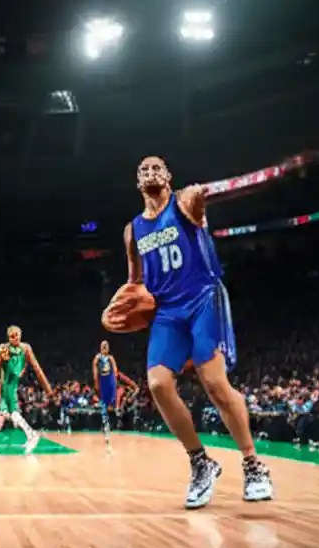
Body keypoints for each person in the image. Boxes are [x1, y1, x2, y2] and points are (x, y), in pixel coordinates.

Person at [124, 155, 273, 509]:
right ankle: (200, 461)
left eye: (157, 167)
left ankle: (253, 464)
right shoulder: (132, 230)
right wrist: (129, 301)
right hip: (166, 312)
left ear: (169, 176)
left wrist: (210, 191)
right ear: (137, 182)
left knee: (215, 384)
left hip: (202, 299)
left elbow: (209, 194)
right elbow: (135, 281)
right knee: (158, 384)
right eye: (143, 170)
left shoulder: (186, 201)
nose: (150, 172)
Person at [0, 326, 51, 455]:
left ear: (20, 335)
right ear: (8, 337)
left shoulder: (25, 348)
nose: (15, 338)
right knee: (8, 414)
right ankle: (30, 435)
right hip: (6, 383)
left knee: (4, 414)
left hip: (11, 383)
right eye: (12, 336)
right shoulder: (4, 349)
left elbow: (35, 368)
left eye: (17, 335)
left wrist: (47, 388)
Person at [92, 339, 138, 449]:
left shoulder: (120, 377)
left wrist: (130, 397)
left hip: (125, 405)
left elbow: (136, 388)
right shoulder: (102, 377)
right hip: (112, 400)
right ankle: (108, 426)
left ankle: (118, 415)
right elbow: (95, 370)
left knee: (120, 391)